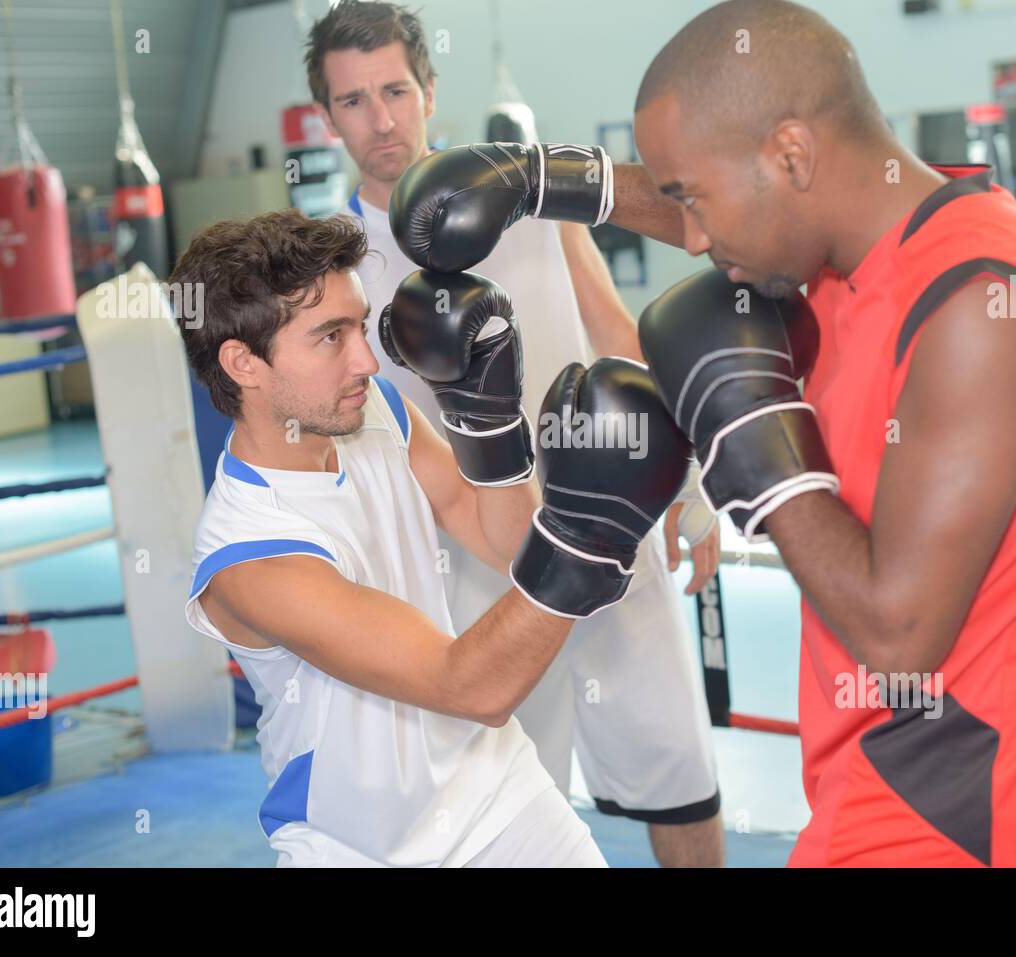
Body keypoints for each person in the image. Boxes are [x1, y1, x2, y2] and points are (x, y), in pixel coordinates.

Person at [393, 0, 1016, 868]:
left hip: (971, 809)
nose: (695, 235)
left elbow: (899, 636)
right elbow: (721, 206)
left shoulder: (978, 308)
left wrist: (749, 431)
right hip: (905, 773)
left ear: (791, 153)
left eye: (695, 197)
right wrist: (540, 177)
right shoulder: (860, 239)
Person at [303, 0, 726, 867]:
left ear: (429, 89)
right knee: (506, 814)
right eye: (353, 102)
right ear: (326, 116)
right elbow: (350, 431)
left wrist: (693, 485)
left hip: (612, 517)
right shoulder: (333, 263)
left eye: (394, 90)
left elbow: (614, 327)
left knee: (679, 775)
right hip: (477, 570)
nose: (381, 120)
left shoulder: (529, 201)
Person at [172, 209, 690, 866]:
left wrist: (494, 428)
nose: (366, 357)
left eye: (360, 324)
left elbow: (501, 540)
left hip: (500, 793)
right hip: (362, 844)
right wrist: (582, 535)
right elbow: (470, 685)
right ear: (243, 362)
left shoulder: (378, 414)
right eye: (330, 337)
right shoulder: (251, 557)